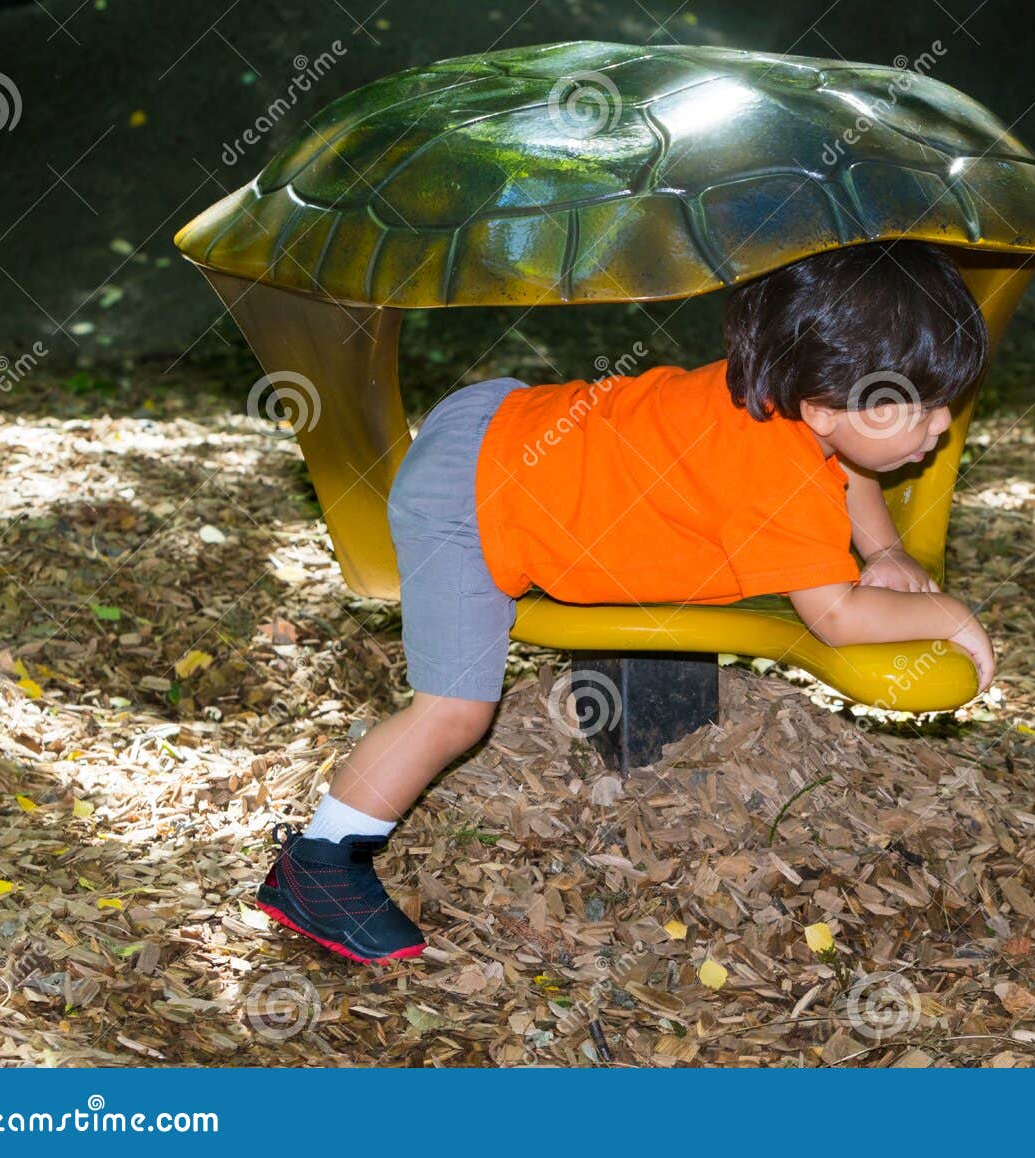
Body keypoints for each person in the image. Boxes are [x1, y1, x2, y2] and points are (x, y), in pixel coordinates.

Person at [254, 239, 997, 963]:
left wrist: (887, 552)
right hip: (469, 500)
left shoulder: (784, 395)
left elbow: (848, 466)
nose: (939, 425)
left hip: (505, 419)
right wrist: (951, 616)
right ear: (826, 405)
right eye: (920, 406)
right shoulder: (777, 474)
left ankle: (322, 859)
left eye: (944, 404)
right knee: (453, 712)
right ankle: (318, 864)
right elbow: (839, 616)